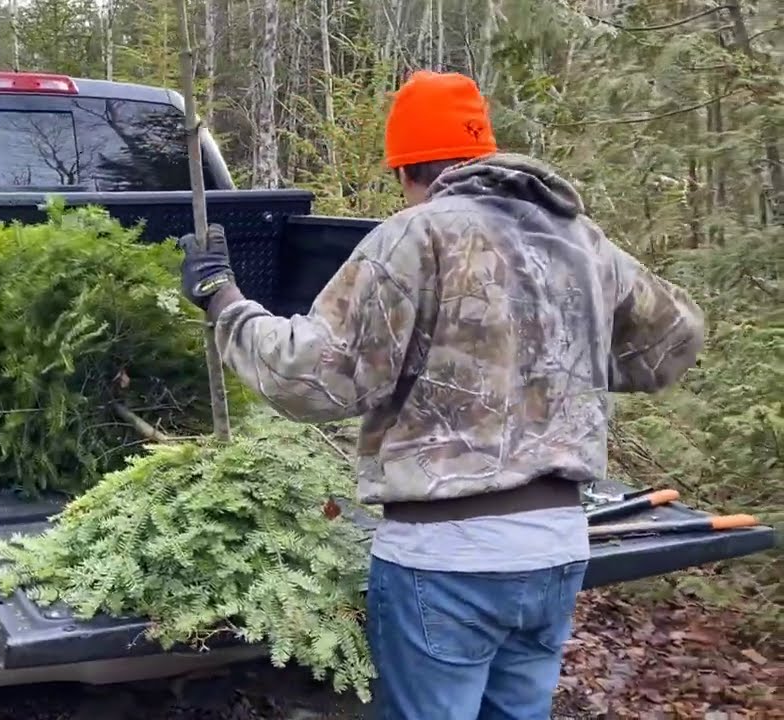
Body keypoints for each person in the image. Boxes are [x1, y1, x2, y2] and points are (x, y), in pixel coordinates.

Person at [177, 70, 705, 720]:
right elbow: (676, 339)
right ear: (485, 153)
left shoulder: (417, 237)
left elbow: (310, 377)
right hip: (556, 552)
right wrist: (568, 357)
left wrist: (224, 303)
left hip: (446, 563)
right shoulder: (579, 240)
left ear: (405, 168)